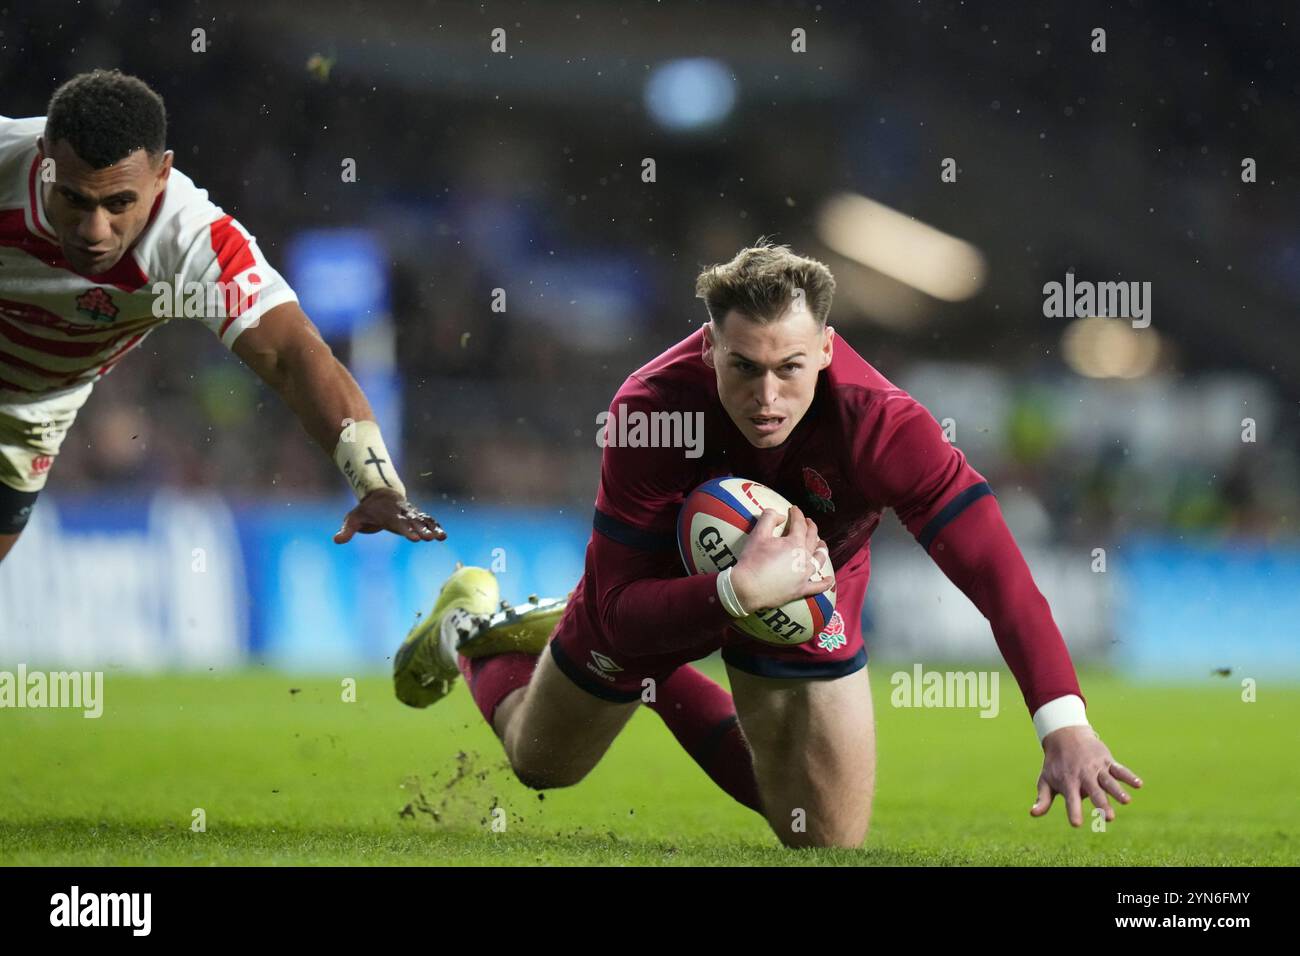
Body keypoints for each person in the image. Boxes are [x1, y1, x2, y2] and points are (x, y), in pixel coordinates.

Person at [394, 241, 1143, 848]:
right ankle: (473, 626)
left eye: (790, 368)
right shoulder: (650, 410)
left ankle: (634, 670)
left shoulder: (884, 427)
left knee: (820, 836)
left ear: (825, 349)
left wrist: (1064, 724)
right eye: (743, 368)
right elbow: (621, 610)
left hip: (811, 578)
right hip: (651, 587)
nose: (767, 397)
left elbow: (997, 574)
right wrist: (733, 592)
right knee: (540, 764)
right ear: (708, 346)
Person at [0, 69, 442, 562]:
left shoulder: (193, 242)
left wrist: (376, 482)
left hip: (31, 411)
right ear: (43, 162)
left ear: (162, 174)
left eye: (119, 203)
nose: (94, 230)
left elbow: (292, 355)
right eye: (74, 199)